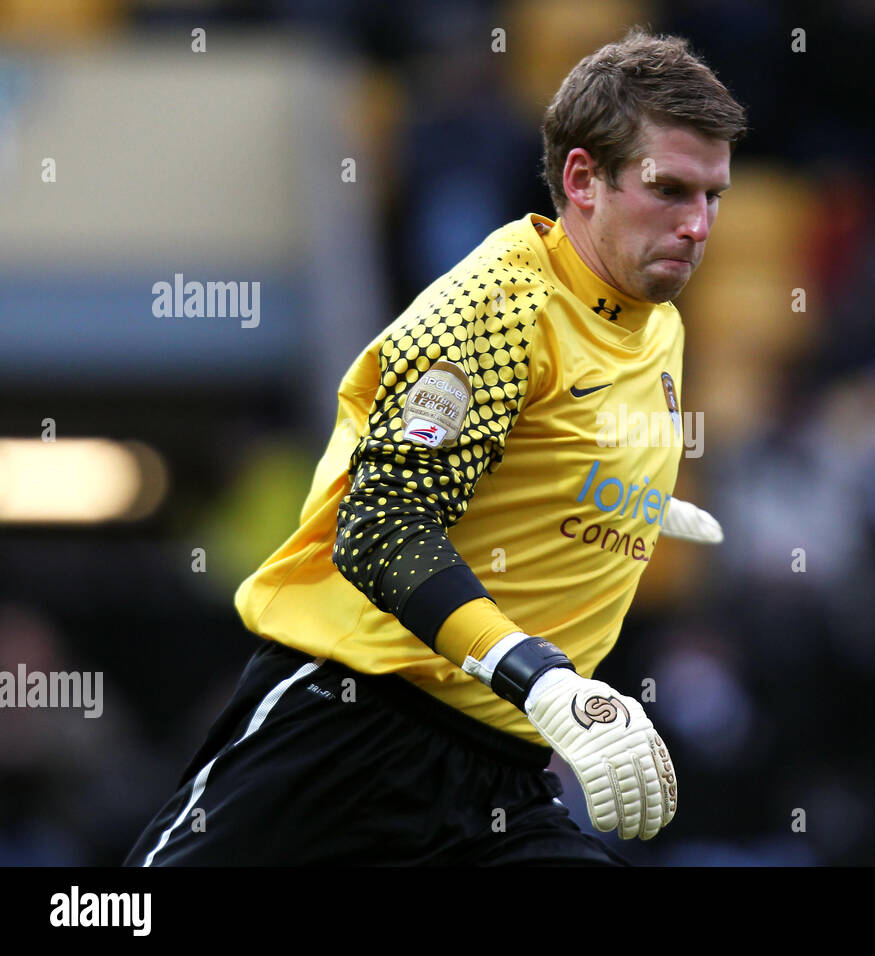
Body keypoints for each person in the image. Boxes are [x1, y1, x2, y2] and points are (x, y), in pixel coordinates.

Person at [123, 26, 747, 866]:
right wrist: (543, 677)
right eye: (670, 189)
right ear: (581, 180)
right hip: (351, 729)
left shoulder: (658, 324)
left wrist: (621, 497)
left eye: (714, 197)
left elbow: (530, 450)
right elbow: (380, 527)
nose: (699, 225)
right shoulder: (496, 308)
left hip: (501, 778)